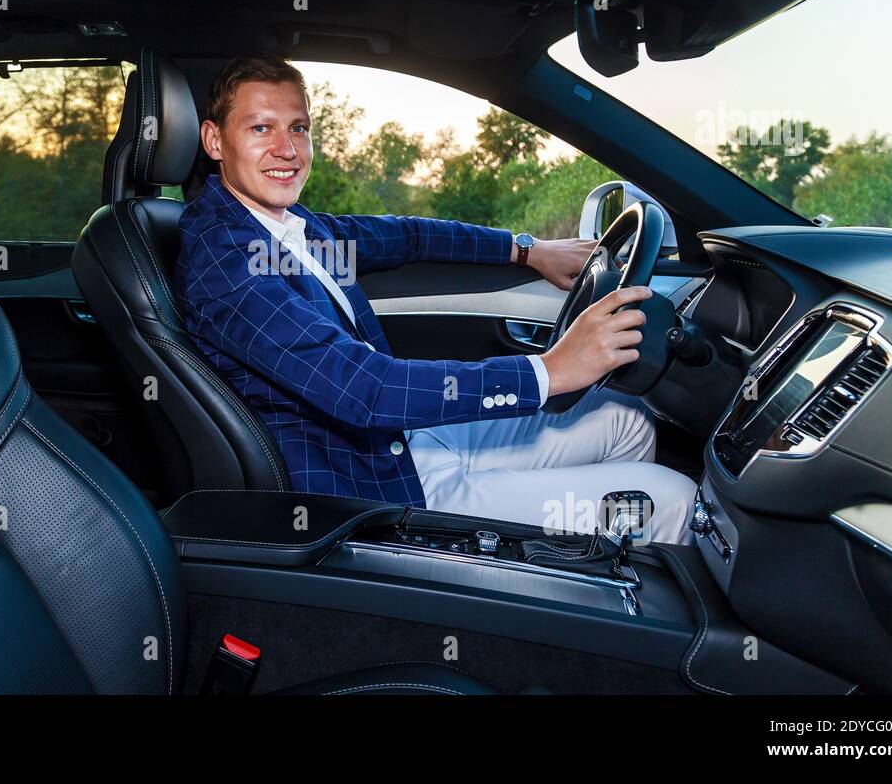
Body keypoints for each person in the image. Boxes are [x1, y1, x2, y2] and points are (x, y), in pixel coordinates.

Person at [174, 55, 696, 543]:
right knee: (671, 501)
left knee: (626, 418)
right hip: (373, 490)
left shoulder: (287, 227)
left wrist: (527, 250)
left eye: (299, 128)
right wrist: (552, 371)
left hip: (403, 441)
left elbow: (409, 236)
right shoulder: (227, 261)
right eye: (260, 128)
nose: (287, 150)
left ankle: (586, 581)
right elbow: (367, 390)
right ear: (214, 141)